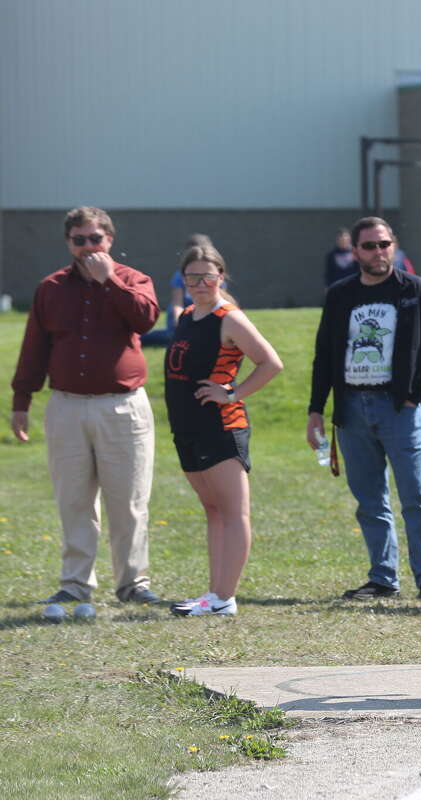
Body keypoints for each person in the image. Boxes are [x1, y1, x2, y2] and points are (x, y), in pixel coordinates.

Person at [10, 206, 161, 617]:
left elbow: (147, 319)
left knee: (128, 500)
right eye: (80, 240)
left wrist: (108, 280)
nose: (88, 247)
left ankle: (133, 583)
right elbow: (35, 348)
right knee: (74, 499)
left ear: (110, 239)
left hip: (122, 407)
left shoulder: (132, 280)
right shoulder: (51, 287)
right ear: (68, 243)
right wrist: (21, 401)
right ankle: (75, 585)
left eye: (96, 239)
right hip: (66, 406)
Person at [307, 216, 421, 601]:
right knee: (369, 499)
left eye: (384, 244)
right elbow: (323, 355)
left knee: (415, 493)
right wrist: (315, 410)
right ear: (354, 251)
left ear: (394, 246)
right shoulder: (340, 295)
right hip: (351, 408)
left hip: (398, 408)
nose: (378, 252)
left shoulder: (414, 290)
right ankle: (383, 578)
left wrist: (414, 395)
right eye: (369, 246)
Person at [166, 245, 283, 616]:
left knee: (233, 512)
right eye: (192, 277)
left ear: (221, 276)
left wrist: (231, 393)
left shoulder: (229, 318)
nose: (200, 283)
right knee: (213, 510)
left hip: (221, 429)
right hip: (188, 428)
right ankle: (214, 595)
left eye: (208, 276)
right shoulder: (187, 314)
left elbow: (270, 363)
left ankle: (224, 598)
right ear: (183, 280)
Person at [141, 234, 214, 347]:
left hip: (204, 321)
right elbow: (177, 304)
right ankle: (138, 337)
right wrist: (180, 323)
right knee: (171, 338)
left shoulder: (215, 276)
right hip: (182, 324)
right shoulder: (180, 276)